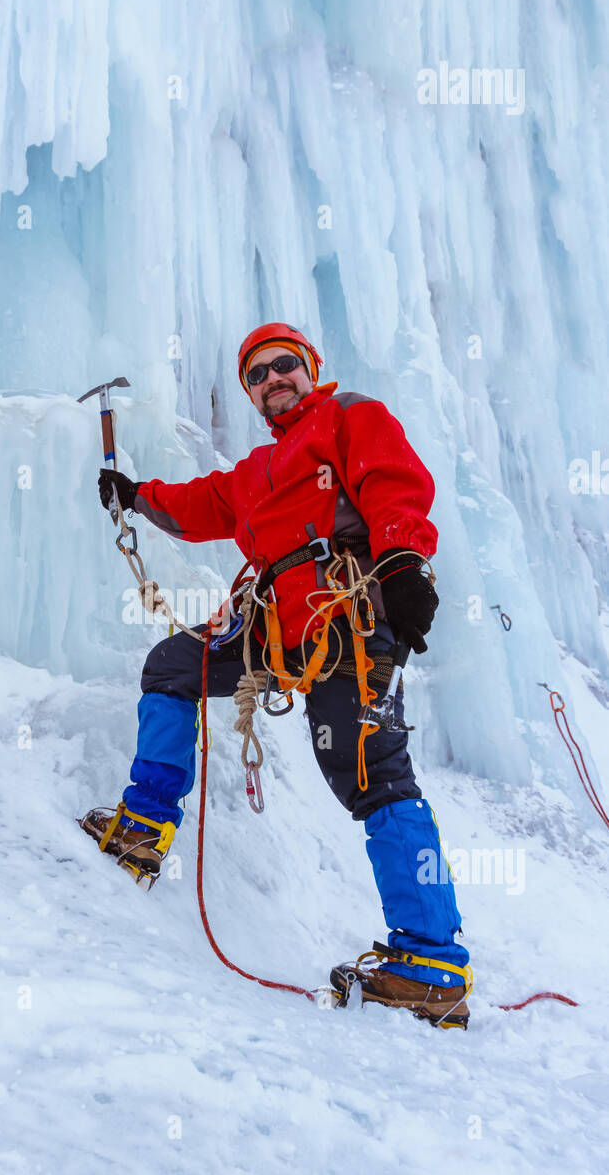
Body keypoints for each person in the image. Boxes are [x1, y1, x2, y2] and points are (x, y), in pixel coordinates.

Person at [81, 323, 471, 1028]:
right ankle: (143, 828)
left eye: (283, 365)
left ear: (309, 367)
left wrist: (405, 562)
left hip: (344, 614)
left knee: (372, 773)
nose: (271, 380)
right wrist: (135, 495)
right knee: (171, 667)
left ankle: (433, 963)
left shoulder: (350, 414)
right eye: (256, 376)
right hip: (270, 625)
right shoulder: (256, 472)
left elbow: (393, 486)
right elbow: (198, 504)